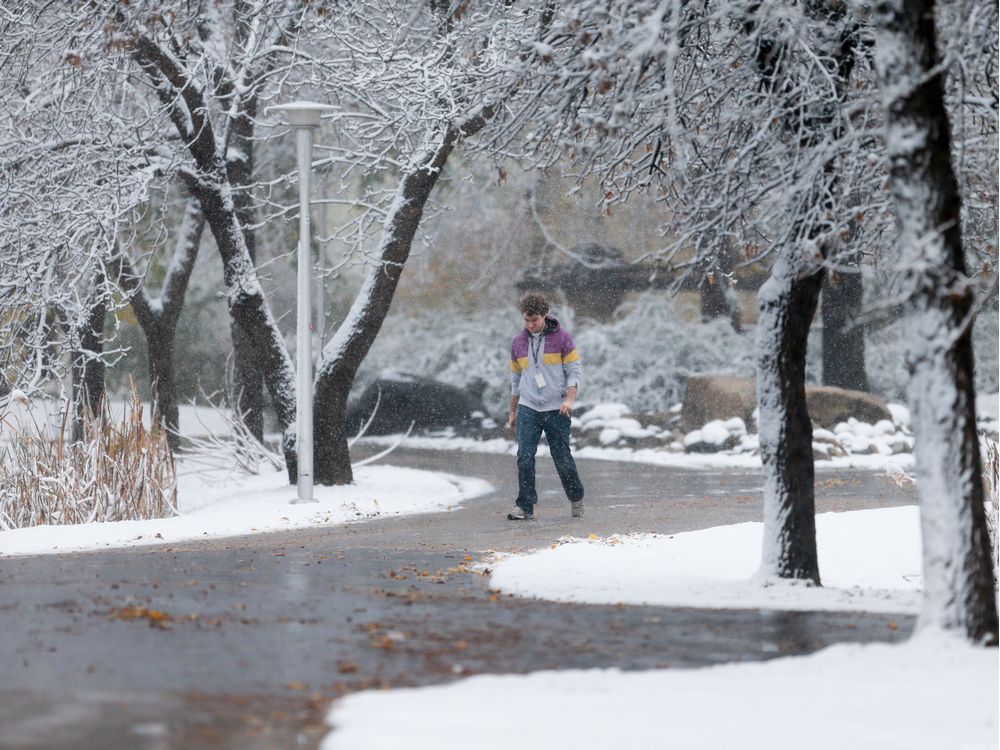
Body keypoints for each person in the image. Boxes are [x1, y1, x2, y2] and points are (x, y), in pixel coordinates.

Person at [506, 293, 585, 520]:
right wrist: (513, 411)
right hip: (528, 407)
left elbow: (574, 372)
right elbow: (515, 379)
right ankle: (525, 506)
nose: (530, 325)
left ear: (544, 315)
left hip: (556, 408)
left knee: (561, 457)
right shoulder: (518, 343)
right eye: (526, 321)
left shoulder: (563, 339)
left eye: (535, 320)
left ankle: (576, 496)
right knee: (524, 456)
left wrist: (569, 400)